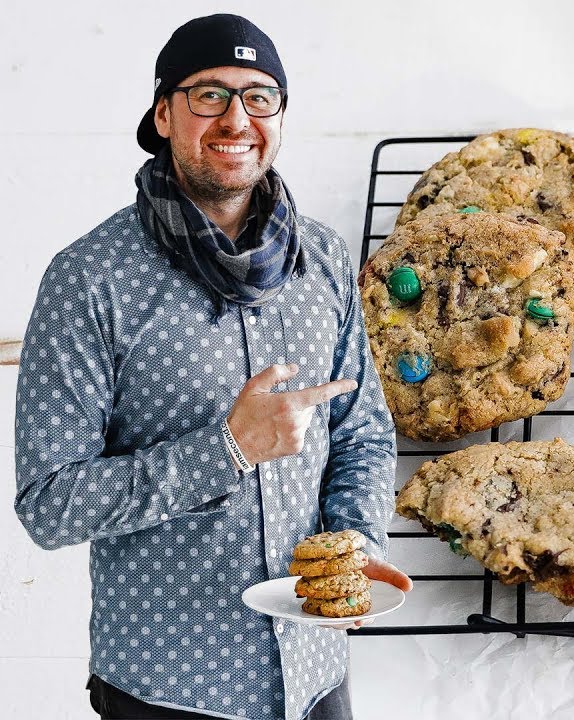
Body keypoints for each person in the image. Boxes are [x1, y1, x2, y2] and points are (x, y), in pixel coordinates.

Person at [13, 14, 410, 720]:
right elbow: (50, 503)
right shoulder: (88, 279)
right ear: (164, 113)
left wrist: (353, 544)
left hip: (315, 677)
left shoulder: (321, 260)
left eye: (260, 96)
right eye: (209, 95)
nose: (237, 118)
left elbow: (363, 434)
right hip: (169, 690)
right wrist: (225, 450)